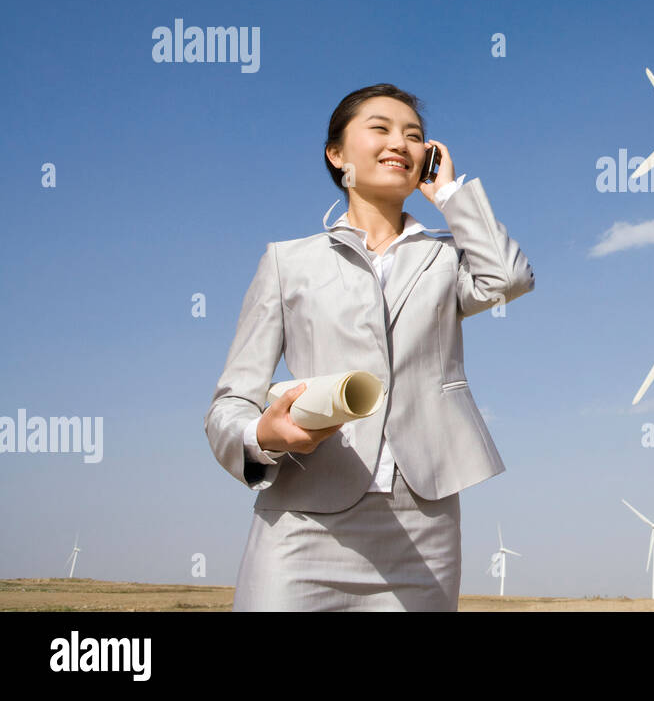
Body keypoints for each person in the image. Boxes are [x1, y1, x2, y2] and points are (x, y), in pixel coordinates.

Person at [204, 82, 535, 610]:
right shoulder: (288, 262)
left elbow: (508, 279)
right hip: (303, 519)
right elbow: (231, 401)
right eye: (380, 128)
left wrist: (451, 196)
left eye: (415, 136)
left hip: (422, 528)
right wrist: (261, 434)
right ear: (336, 155)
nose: (400, 143)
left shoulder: (445, 259)